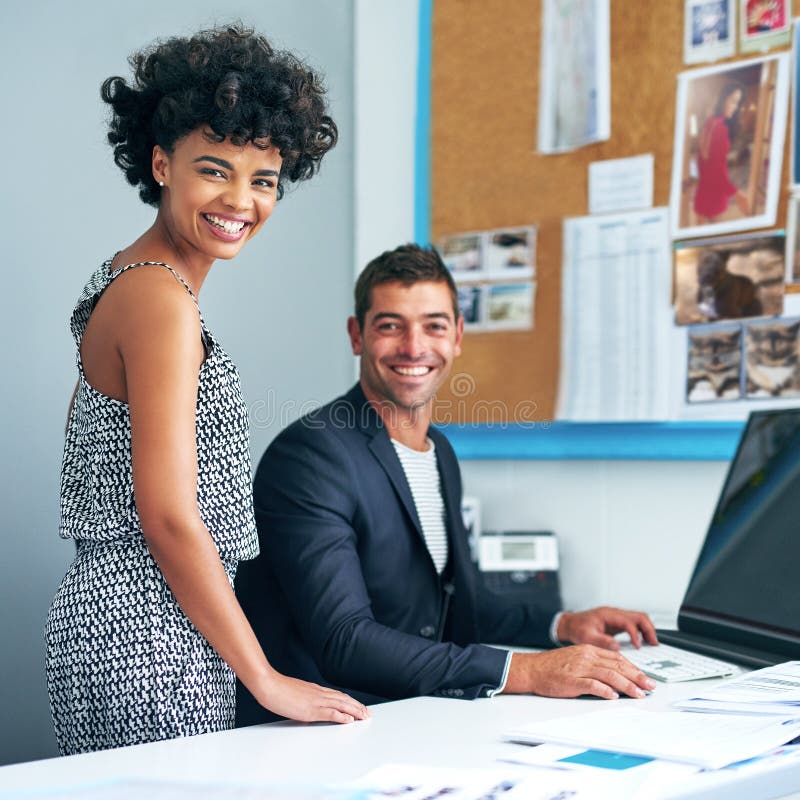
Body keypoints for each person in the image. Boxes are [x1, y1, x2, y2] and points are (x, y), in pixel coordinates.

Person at [46, 24, 368, 756]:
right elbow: (165, 515)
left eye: (264, 179)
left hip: (122, 619)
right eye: (214, 170)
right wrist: (266, 678)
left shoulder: (125, 280)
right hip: (150, 632)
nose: (241, 200)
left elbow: (93, 456)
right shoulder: (160, 300)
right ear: (161, 163)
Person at [235, 244, 658, 726]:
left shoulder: (440, 452)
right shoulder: (312, 456)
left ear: (457, 336)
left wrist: (562, 626)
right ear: (357, 336)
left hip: (410, 715)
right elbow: (345, 640)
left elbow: (456, 605)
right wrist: (526, 670)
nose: (414, 347)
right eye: (390, 325)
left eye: (434, 325)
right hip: (314, 730)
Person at [693, 82, 749, 223]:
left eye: (738, 103)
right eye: (733, 101)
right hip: (715, 192)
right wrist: (738, 194)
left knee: (701, 238)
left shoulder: (711, 121)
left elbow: (702, 162)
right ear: (724, 98)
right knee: (714, 238)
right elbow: (717, 172)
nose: (735, 107)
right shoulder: (721, 128)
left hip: (703, 189)